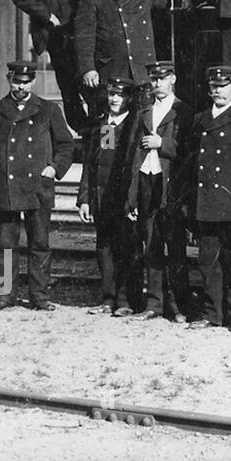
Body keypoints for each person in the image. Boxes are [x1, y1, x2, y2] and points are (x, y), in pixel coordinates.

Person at [0, 60, 76, 312]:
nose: (21, 86)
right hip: (5, 188)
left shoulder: (48, 109)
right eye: (17, 81)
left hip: (38, 187)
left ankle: (39, 297)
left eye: (26, 82)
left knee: (39, 243)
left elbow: (66, 144)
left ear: (33, 81)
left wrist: (54, 168)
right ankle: (3, 297)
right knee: (5, 243)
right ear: (9, 80)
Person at [186, 64, 231, 331]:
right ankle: (211, 313)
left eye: (223, 85)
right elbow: (191, 164)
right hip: (206, 201)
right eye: (214, 86)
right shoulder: (200, 119)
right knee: (208, 260)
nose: (217, 90)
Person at [122, 61, 193, 321]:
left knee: (174, 246)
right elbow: (132, 155)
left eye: (162, 79)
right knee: (150, 243)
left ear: (173, 79)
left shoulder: (183, 111)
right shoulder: (144, 111)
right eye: (153, 79)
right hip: (146, 181)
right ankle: (154, 303)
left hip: (170, 185)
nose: (157, 84)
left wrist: (163, 143)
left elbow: (189, 151)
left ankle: (179, 306)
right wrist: (132, 196)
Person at [11, 0, 89, 132]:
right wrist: (47, 16)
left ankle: (94, 127)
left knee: (88, 80)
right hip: (59, 36)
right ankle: (82, 128)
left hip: (81, 33)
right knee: (69, 86)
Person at [78, 77, 140, 314]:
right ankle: (108, 298)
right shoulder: (105, 126)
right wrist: (85, 198)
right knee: (104, 247)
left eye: (120, 95)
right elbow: (93, 165)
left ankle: (126, 300)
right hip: (103, 201)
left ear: (129, 99)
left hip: (124, 201)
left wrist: (132, 201)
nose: (114, 99)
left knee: (127, 248)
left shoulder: (134, 125)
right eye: (112, 95)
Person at [74, 0, 169, 98]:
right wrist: (88, 69)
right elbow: (84, 38)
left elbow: (167, 0)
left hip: (142, 73)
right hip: (110, 73)